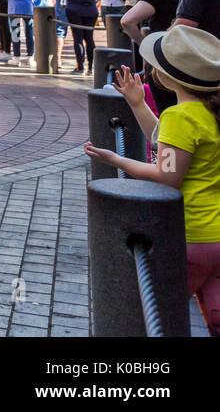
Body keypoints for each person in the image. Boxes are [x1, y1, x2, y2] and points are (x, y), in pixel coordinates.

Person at [84, 27, 220, 335]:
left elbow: (166, 176)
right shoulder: (207, 111)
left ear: (168, 77)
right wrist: (137, 103)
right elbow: (169, 147)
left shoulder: (180, 117)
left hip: (189, 235)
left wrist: (115, 159)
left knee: (155, 318)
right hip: (216, 237)